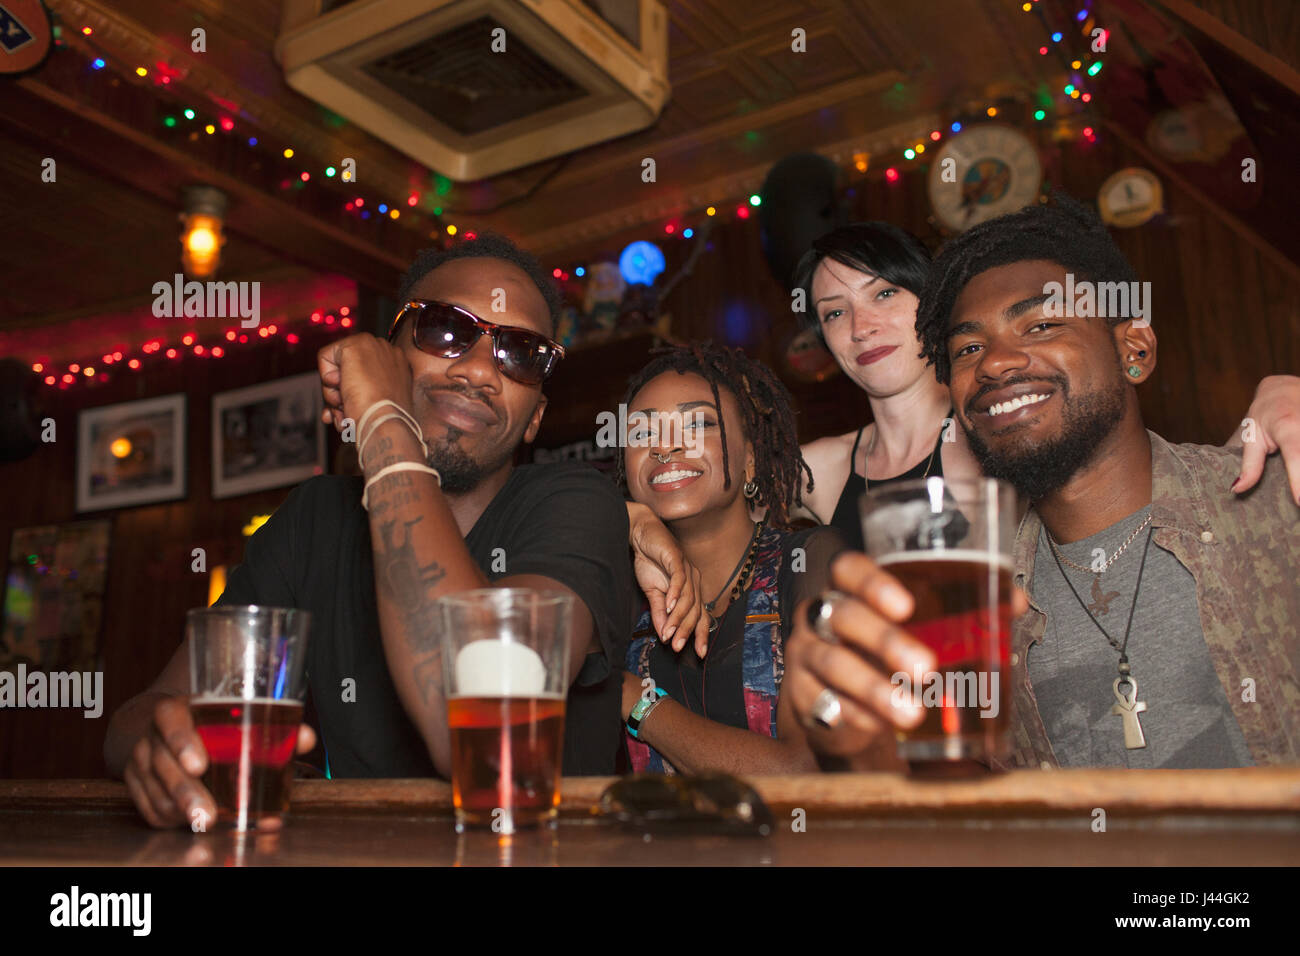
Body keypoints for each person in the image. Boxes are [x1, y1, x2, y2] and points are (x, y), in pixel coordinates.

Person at [104, 234, 695, 828]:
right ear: (387, 356)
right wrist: (160, 750)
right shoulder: (314, 518)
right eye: (446, 329)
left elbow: (480, 735)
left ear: (535, 417)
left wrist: (384, 425)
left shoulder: (574, 503)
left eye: (520, 354)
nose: (477, 371)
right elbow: (148, 709)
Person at [784, 195, 1300, 769]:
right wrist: (858, 740)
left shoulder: (1274, 507)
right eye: (969, 348)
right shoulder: (986, 599)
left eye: (1042, 324)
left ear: (1134, 349)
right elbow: (972, 802)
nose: (997, 363)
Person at [791, 221, 1300, 552]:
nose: (861, 326)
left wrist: (1274, 405)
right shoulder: (817, 468)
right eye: (835, 312)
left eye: (884, 293)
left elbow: (1192, 504)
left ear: (935, 306)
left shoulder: (1010, 422)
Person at [616, 344, 843, 775]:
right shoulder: (617, 589)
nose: (665, 447)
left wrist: (632, 698)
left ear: (750, 461)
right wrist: (621, 518)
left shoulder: (809, 562)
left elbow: (804, 773)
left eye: (698, 423)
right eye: (642, 434)